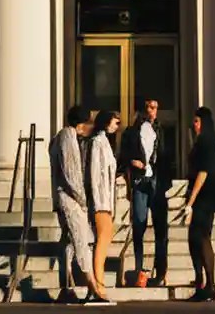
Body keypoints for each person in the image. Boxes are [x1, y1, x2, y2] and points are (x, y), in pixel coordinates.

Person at [118, 97, 171, 287]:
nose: (153, 111)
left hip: (157, 182)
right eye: (149, 107)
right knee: (139, 226)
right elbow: (123, 156)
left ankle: (161, 272)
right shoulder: (132, 132)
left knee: (161, 229)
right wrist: (132, 162)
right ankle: (139, 269)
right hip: (140, 182)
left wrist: (166, 183)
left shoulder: (160, 130)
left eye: (156, 107)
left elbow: (166, 156)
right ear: (143, 109)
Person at [49, 105, 95, 303]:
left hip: (63, 198)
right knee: (81, 241)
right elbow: (71, 173)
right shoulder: (67, 137)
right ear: (82, 123)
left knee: (69, 244)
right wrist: (83, 200)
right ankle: (93, 287)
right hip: (70, 200)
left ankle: (66, 287)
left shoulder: (61, 137)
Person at [180, 106, 215, 303]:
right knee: (195, 239)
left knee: (201, 237)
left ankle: (209, 285)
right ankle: (201, 282)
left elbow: (203, 173)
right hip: (206, 197)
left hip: (205, 197)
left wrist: (191, 201)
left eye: (197, 121)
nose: (194, 125)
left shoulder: (206, 143)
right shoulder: (206, 142)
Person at [86, 109, 121, 306]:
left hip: (106, 200)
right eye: (115, 122)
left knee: (105, 237)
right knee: (103, 238)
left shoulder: (105, 142)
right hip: (101, 200)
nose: (117, 126)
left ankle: (99, 284)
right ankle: (98, 285)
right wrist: (99, 201)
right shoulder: (97, 142)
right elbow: (94, 175)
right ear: (106, 122)